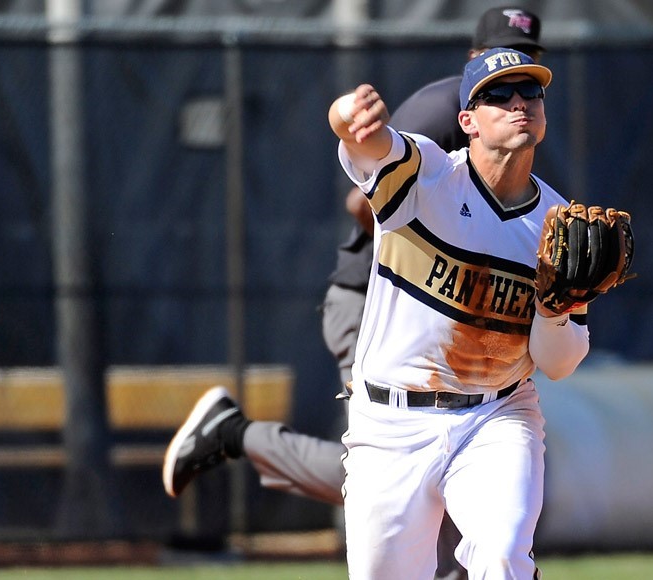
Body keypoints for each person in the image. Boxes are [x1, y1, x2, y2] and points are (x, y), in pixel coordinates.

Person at [163, 8, 546, 579]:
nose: (519, 82)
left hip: (466, 324)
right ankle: (237, 434)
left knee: (460, 482)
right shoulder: (443, 110)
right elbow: (363, 187)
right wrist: (427, 232)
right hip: (376, 292)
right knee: (392, 440)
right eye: (502, 59)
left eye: (531, 58)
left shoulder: (522, 140)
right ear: (472, 61)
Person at [327, 47, 589, 578]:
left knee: (502, 557)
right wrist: (347, 111)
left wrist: (559, 308)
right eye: (499, 94)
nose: (519, 103)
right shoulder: (426, 176)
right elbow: (359, 137)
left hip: (497, 415)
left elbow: (557, 364)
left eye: (530, 92)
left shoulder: (560, 227)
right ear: (467, 120)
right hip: (390, 421)